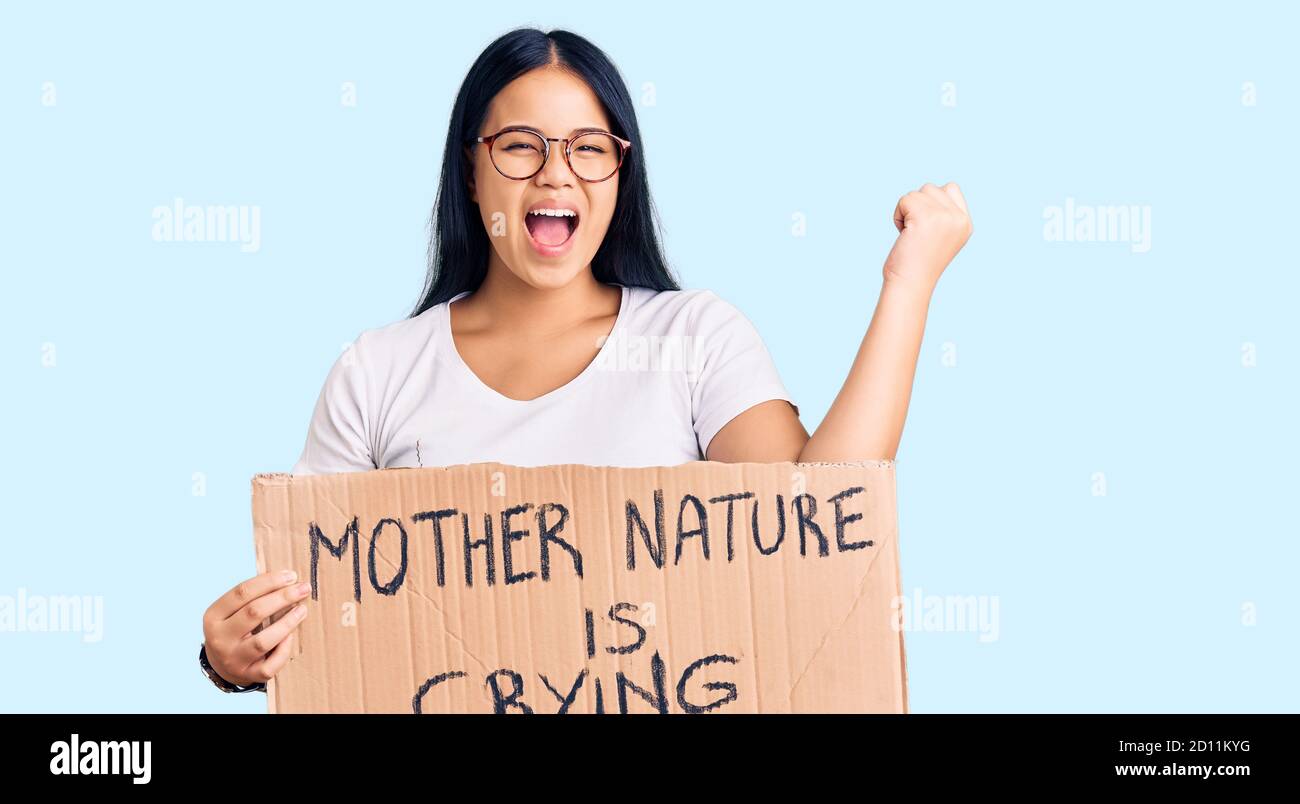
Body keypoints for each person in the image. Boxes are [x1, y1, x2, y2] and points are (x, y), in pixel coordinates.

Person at [199, 27, 972, 693]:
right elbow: (310, 614)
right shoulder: (376, 372)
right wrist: (228, 657)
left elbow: (819, 527)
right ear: (470, 172)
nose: (556, 172)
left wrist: (909, 284)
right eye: (519, 146)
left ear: (619, 172)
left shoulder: (692, 340)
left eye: (589, 148)